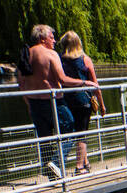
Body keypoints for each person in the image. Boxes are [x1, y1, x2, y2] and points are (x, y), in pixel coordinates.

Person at [16, 25, 95, 180]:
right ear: (42, 38)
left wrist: (28, 104)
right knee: (70, 130)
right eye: (51, 37)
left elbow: (21, 84)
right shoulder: (50, 54)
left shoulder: (25, 55)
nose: (54, 40)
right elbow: (63, 79)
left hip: (34, 102)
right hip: (53, 102)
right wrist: (84, 83)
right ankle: (56, 163)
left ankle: (51, 172)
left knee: (44, 138)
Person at [58, 32, 104, 174]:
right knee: (82, 133)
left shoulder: (59, 59)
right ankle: (79, 166)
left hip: (66, 100)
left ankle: (85, 162)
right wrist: (102, 105)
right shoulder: (85, 59)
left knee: (75, 131)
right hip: (83, 100)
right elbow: (95, 85)